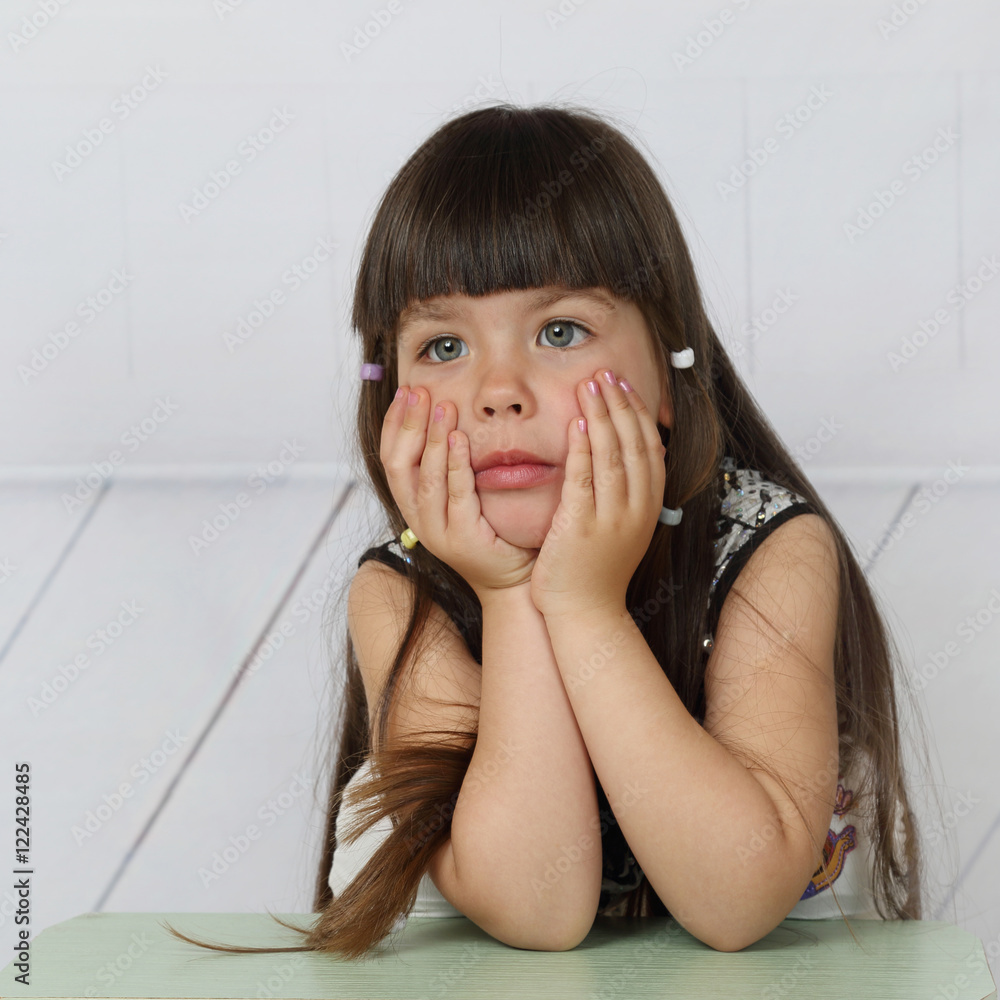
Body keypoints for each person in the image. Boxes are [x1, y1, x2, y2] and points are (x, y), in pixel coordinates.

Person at [166, 102, 922, 961]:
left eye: (560, 332)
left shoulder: (770, 551)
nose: (498, 390)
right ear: (388, 397)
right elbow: (538, 908)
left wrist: (589, 607)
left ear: (672, 377)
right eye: (443, 348)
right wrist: (516, 593)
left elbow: (739, 901)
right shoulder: (399, 592)